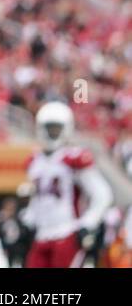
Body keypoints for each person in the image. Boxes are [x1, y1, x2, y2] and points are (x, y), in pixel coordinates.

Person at [23, 101, 112, 268]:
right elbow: (38, 197)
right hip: (42, 233)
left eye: (56, 128)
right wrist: (29, 218)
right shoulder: (35, 161)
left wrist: (88, 223)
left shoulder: (74, 158)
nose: (52, 133)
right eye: (49, 128)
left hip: (66, 232)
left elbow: (102, 194)